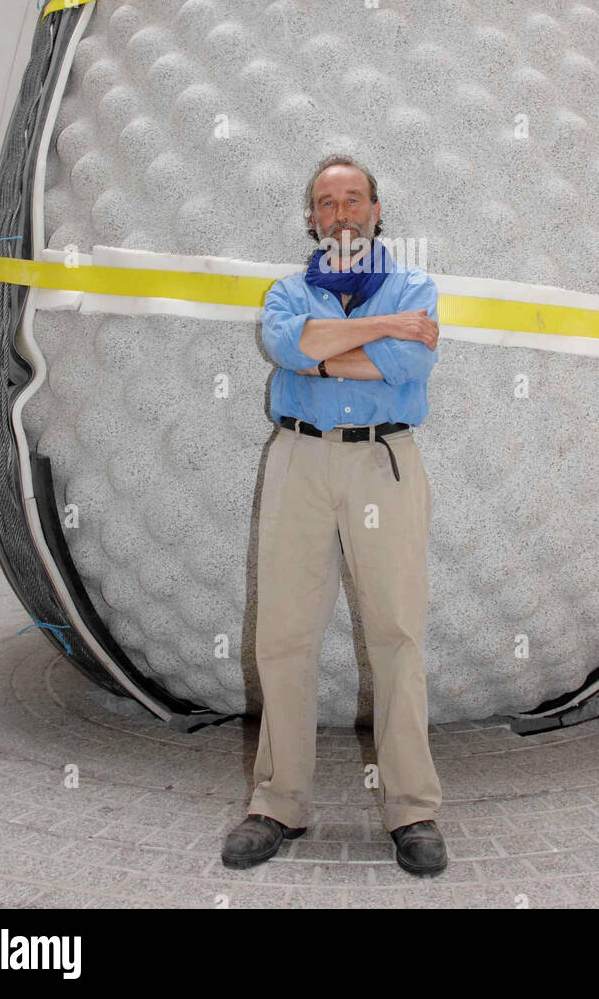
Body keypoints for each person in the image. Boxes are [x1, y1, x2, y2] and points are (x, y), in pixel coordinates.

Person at [221, 154, 447, 877]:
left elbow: (406, 368)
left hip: (384, 465)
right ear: (312, 217)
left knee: (397, 634)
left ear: (377, 212)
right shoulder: (288, 291)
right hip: (299, 463)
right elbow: (291, 345)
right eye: (327, 202)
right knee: (284, 635)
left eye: (354, 199)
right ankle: (277, 803)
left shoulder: (418, 285)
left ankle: (411, 809)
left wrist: (317, 357)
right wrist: (378, 336)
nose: (341, 212)